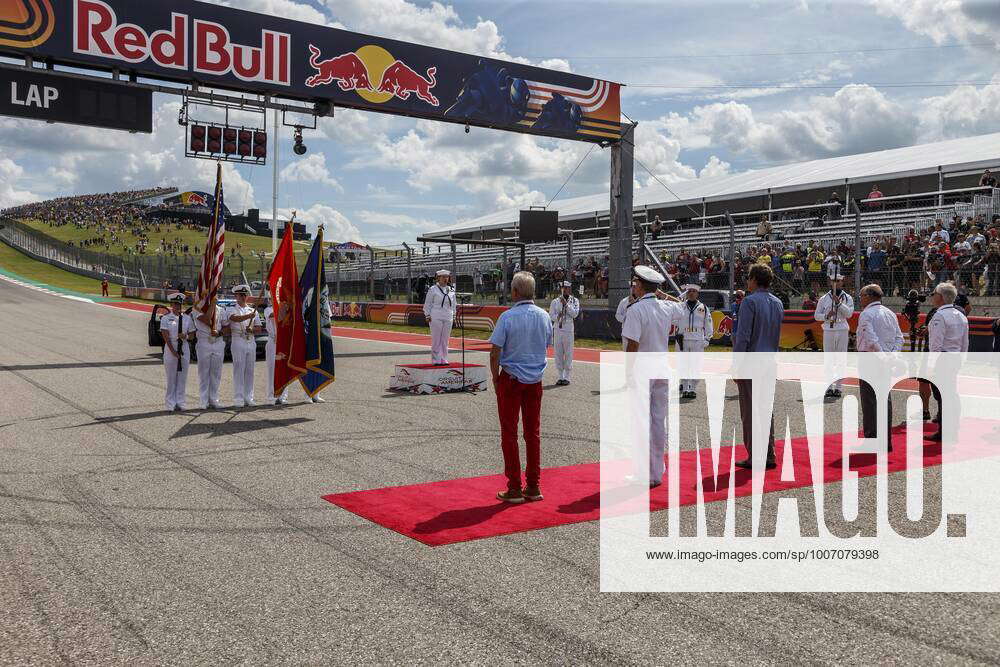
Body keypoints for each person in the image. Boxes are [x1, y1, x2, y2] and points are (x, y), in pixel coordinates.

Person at [489, 271, 553, 504]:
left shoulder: (507, 317)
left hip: (512, 378)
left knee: (509, 433)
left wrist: (495, 378)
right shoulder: (544, 316)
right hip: (535, 379)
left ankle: (514, 486)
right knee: (532, 433)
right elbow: (546, 344)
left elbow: (495, 352)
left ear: (515, 292)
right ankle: (533, 485)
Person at [622, 266, 681, 488]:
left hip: (643, 370)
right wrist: (662, 294)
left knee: (641, 422)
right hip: (661, 368)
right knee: (658, 421)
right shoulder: (666, 306)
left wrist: (628, 372)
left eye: (635, 283)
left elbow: (632, 344)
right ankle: (657, 470)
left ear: (639, 285)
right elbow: (681, 305)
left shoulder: (636, 310)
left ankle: (644, 472)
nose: (634, 286)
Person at [732, 264, 784, 470]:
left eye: (749, 278)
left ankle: (756, 455)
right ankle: (769, 452)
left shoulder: (749, 301)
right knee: (765, 408)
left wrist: (737, 365)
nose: (747, 281)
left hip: (752, 361)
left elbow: (743, 336)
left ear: (754, 279)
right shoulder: (778, 302)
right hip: (770, 360)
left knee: (750, 410)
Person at [856, 284, 904, 449]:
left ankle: (872, 440)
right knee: (884, 399)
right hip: (886, 358)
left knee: (869, 401)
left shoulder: (866, 314)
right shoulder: (890, 313)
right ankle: (885, 441)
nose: (860, 298)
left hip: (871, 359)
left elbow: (871, 340)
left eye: (862, 295)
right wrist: (892, 356)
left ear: (869, 296)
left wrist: (884, 357)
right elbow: (899, 338)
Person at [926, 282, 969, 443]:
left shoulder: (940, 316)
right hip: (955, 357)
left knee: (943, 396)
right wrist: (961, 360)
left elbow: (935, 345)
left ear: (941, 297)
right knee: (951, 395)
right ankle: (953, 428)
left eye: (934, 294)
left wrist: (931, 366)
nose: (932, 296)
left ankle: (944, 432)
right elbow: (965, 343)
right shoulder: (961, 315)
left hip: (943, 359)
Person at [813, 274, 854, 398]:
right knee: (829, 359)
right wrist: (826, 316)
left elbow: (849, 314)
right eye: (834, 280)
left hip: (842, 328)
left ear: (842, 282)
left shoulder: (848, 297)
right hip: (829, 329)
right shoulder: (824, 298)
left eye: (839, 280)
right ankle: (829, 386)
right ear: (830, 282)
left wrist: (839, 304)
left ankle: (839, 387)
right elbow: (816, 316)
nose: (836, 283)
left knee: (841, 359)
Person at [225, 285, 262, 408]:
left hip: (250, 341)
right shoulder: (231, 308)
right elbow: (234, 319)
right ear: (236, 296)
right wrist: (248, 317)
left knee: (250, 371)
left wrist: (252, 329)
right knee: (239, 370)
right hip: (238, 340)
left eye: (244, 295)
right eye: (240, 295)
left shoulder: (252, 310)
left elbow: (259, 328)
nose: (243, 297)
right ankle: (238, 398)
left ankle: (249, 397)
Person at [675, 284, 713, 399]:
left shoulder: (703, 307)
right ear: (686, 293)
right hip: (683, 338)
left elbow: (708, 323)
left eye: (694, 291)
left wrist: (707, 338)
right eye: (689, 291)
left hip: (697, 339)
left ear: (697, 293)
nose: (691, 293)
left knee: (696, 364)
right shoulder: (680, 306)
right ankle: (685, 387)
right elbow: (673, 319)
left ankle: (692, 388)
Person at [160, 293, 194, 412]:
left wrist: (186, 336)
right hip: (171, 348)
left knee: (182, 377)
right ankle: (170, 402)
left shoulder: (187, 318)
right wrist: (173, 351)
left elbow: (192, 335)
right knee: (171, 378)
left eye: (179, 304)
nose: (178, 306)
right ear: (171, 304)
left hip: (184, 348)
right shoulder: (165, 318)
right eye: (175, 304)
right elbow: (166, 337)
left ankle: (181, 401)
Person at [193, 297, 225, 410]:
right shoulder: (197, 308)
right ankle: (203, 400)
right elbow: (207, 319)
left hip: (218, 342)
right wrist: (212, 305)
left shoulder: (221, 310)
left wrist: (219, 333)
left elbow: (227, 327)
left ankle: (214, 399)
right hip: (204, 342)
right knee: (204, 372)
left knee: (216, 373)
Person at [549, 280, 580, 386]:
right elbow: (551, 315)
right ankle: (560, 376)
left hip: (568, 330)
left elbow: (575, 314)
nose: (565, 290)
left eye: (567, 288)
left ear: (570, 289)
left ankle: (567, 376)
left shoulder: (575, 301)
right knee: (558, 353)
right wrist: (557, 317)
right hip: (558, 329)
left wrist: (566, 305)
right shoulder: (555, 301)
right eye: (564, 288)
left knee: (568, 353)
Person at [423, 269, 456, 366]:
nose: (445, 279)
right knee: (436, 339)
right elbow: (427, 304)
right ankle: (435, 359)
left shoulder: (451, 290)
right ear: (438, 278)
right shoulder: (433, 289)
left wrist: (454, 315)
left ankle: (444, 358)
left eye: (447, 277)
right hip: (436, 316)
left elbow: (454, 304)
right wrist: (427, 315)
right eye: (443, 277)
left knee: (445, 339)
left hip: (448, 316)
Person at [263, 295, 289, 406]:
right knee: (272, 370)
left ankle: (283, 396)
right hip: (273, 342)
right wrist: (284, 309)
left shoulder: (286, 309)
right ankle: (271, 396)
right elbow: (274, 315)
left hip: (283, 342)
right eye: (271, 299)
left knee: (284, 369)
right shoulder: (268, 309)